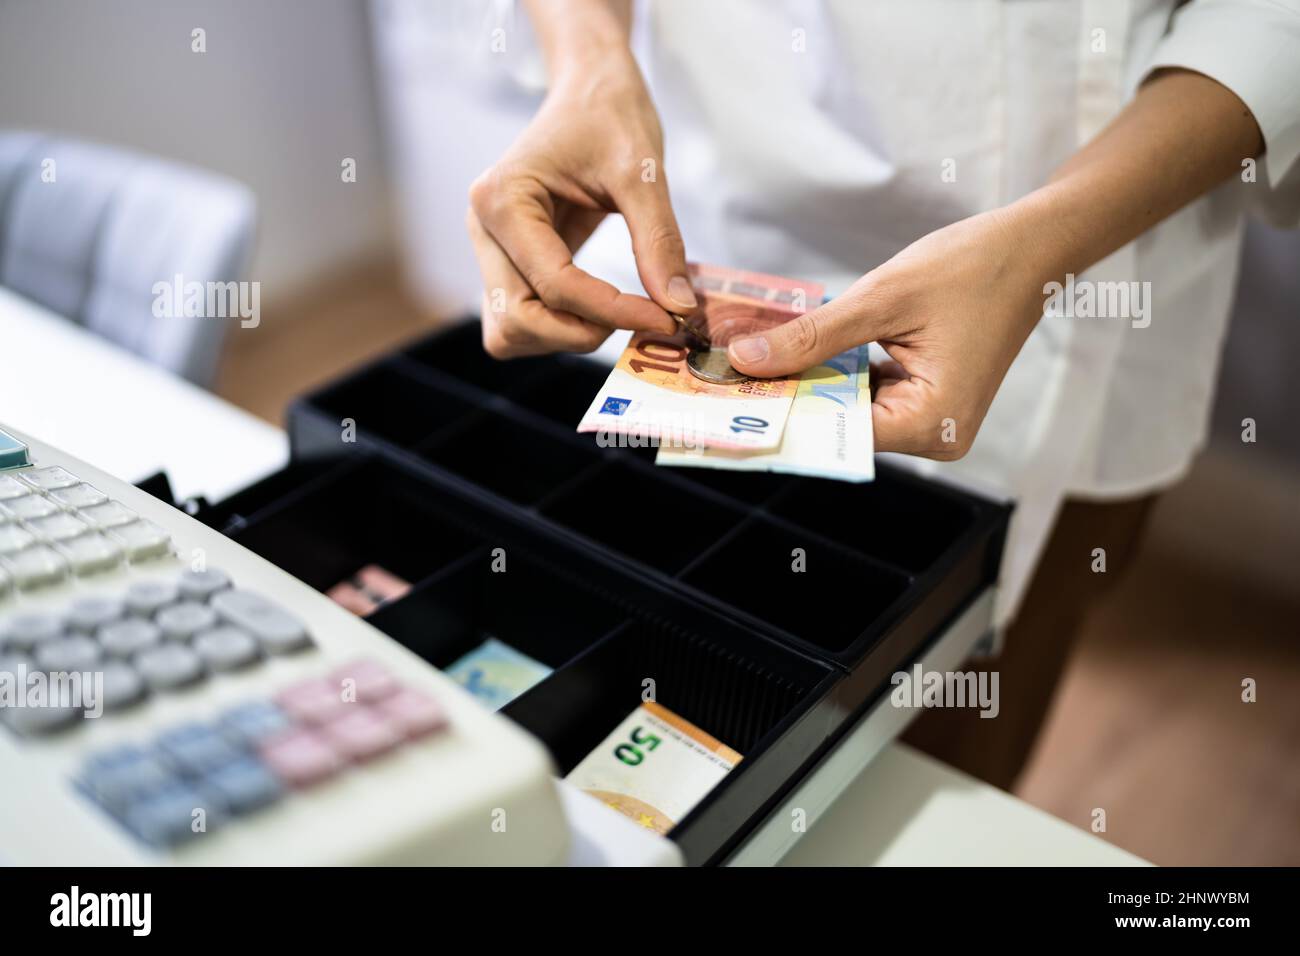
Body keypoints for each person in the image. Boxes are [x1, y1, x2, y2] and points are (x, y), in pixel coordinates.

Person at [464, 0, 1300, 789]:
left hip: (1092, 252)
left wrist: (1042, 246)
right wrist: (590, 66)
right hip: (717, 193)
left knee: (946, 742)